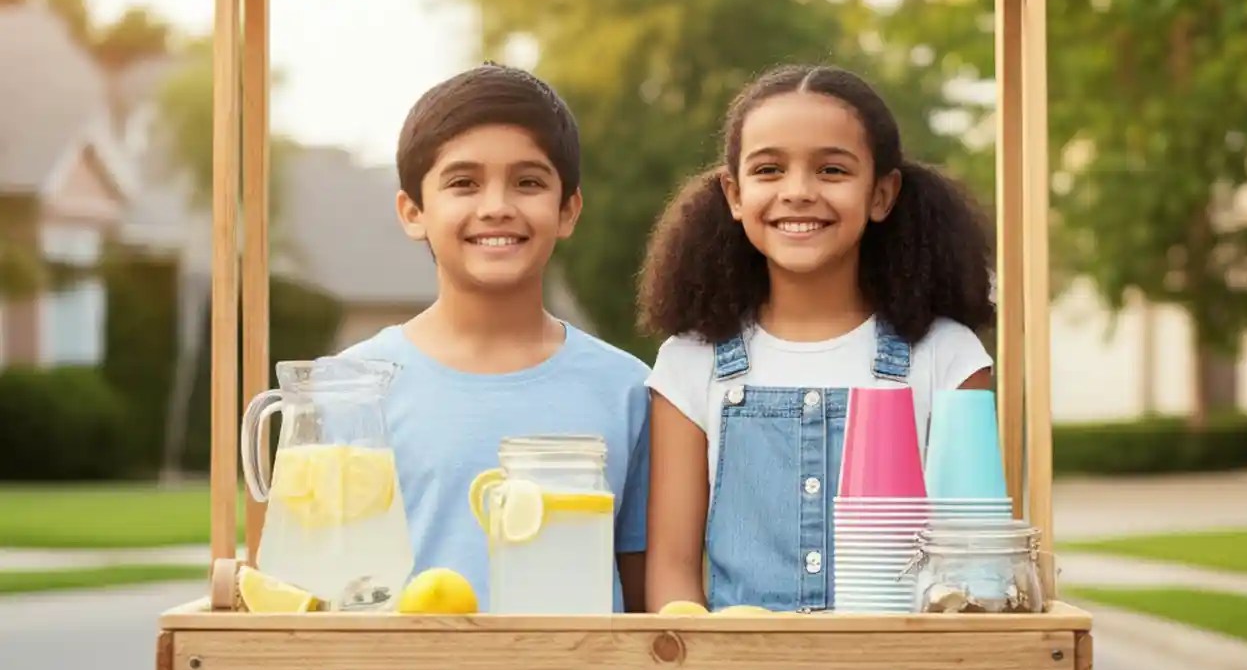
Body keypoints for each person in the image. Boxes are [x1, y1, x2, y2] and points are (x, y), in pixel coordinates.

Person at [638, 64, 995, 613]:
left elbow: (972, 565)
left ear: (881, 194)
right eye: (769, 170)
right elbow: (672, 571)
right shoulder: (690, 362)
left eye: (831, 170)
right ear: (734, 194)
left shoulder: (946, 357)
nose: (798, 192)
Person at [342, 63, 650, 612]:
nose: (496, 206)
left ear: (568, 210)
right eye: (463, 183)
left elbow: (649, 599)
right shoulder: (353, 388)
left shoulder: (630, 390)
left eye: (528, 182)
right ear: (413, 211)